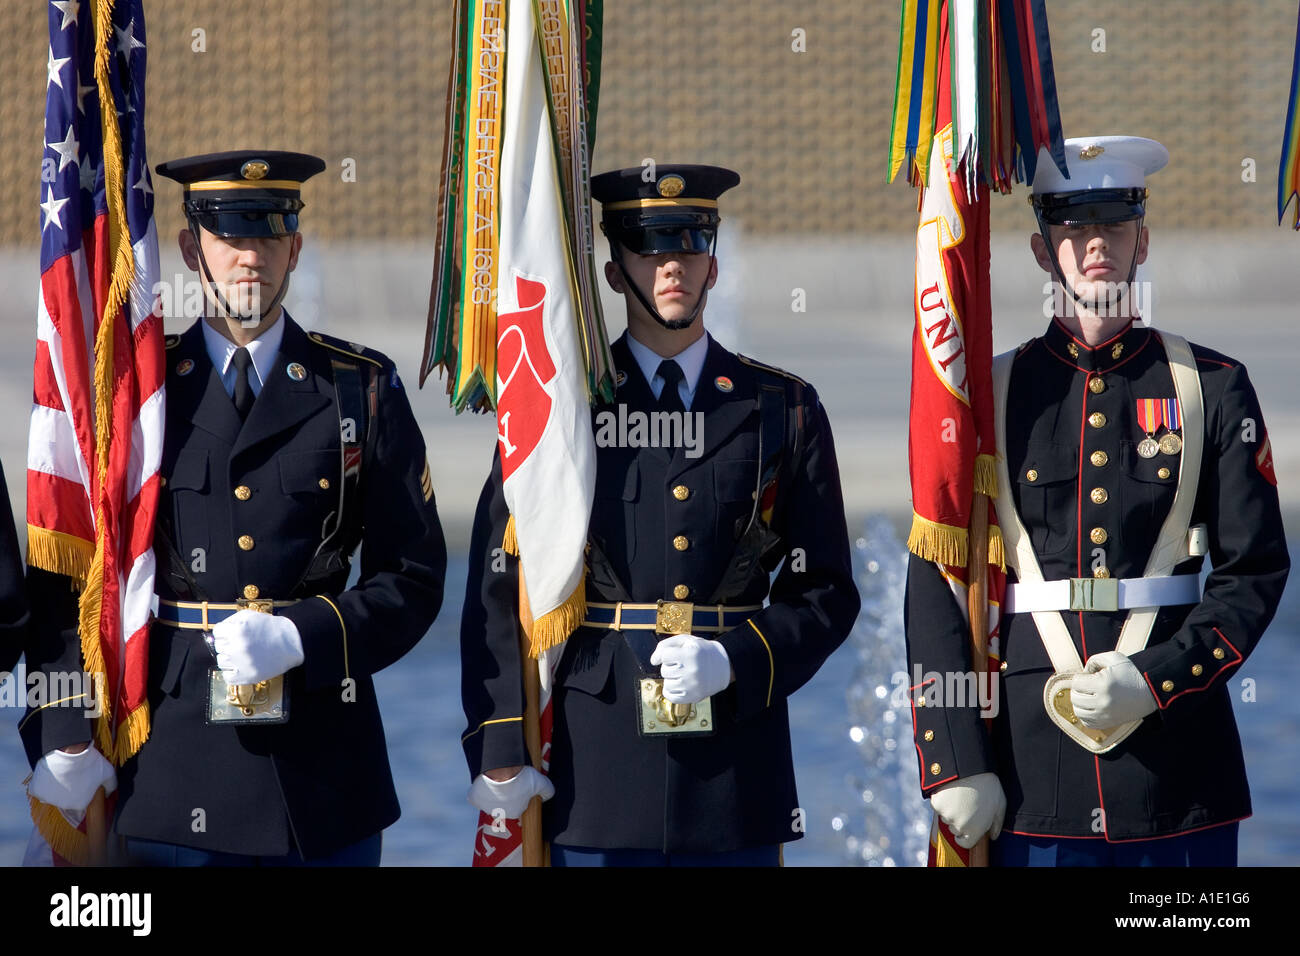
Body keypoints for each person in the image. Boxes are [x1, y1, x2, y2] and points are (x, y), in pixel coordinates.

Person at [19, 150, 447, 866]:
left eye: (271, 234)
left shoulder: (359, 389)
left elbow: (414, 577)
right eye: (230, 235)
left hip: (322, 784)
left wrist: (307, 635)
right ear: (191, 249)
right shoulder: (139, 397)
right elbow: (76, 576)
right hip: (170, 770)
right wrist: (63, 726)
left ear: (296, 249)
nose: (252, 256)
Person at [459, 164, 861, 866]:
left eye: (691, 243)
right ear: (615, 272)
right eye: (650, 246)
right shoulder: (561, 412)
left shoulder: (780, 408)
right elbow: (499, 586)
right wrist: (498, 747)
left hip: (736, 776)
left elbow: (825, 592)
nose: (673, 264)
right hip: (597, 774)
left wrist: (735, 659)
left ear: (715, 261)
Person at [904, 135, 1290, 866]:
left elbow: (1254, 573)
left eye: (1112, 225)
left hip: (1178, 773)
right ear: (1041, 249)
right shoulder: (989, 397)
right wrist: (953, 760)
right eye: (1073, 229)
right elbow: (937, 580)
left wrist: (1155, 681)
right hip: (1029, 776)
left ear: (1142, 240)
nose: (1094, 247)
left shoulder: (1212, 386)